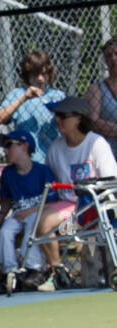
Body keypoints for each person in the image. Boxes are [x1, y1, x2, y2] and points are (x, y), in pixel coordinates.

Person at [44, 96, 117, 285]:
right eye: (56, 116)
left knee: (97, 235)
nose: (57, 120)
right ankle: (57, 274)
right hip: (69, 210)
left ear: (78, 118)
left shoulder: (97, 143)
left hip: (96, 206)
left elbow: (110, 183)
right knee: (43, 222)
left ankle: (108, 277)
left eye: (62, 116)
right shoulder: (55, 148)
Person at [0, 129, 61, 291]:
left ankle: (33, 268)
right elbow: (6, 203)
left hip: (37, 212)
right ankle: (10, 272)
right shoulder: (8, 173)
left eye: (9, 145)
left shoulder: (42, 171)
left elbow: (52, 201)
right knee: (5, 232)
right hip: (17, 215)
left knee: (33, 224)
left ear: (24, 146)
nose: (5, 150)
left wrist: (30, 211)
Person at [0, 49, 65, 163]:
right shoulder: (18, 94)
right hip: (28, 161)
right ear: (28, 75)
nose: (40, 79)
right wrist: (24, 98)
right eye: (35, 74)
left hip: (53, 157)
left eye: (44, 74)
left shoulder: (57, 95)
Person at [83, 36, 117, 155]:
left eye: (116, 53)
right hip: (109, 153)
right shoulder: (97, 88)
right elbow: (93, 122)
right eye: (108, 56)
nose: (113, 58)